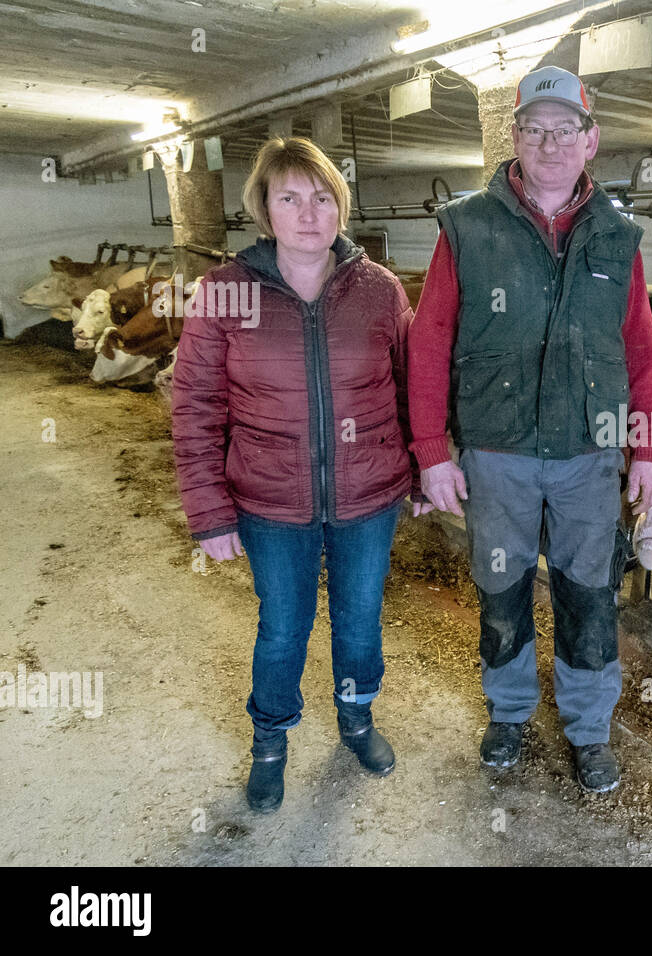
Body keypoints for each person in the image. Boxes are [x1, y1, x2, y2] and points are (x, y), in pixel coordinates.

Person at [408, 66, 652, 793]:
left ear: (591, 141)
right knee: (502, 588)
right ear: (514, 136)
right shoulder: (467, 226)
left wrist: (646, 449)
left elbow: (641, 350)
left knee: (590, 594)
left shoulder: (618, 237)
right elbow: (429, 341)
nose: (549, 143)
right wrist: (432, 452)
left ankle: (588, 729)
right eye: (535, 128)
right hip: (497, 451)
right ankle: (510, 712)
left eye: (565, 129)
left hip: (589, 452)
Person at [171, 136, 429, 813]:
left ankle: (356, 719)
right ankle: (270, 740)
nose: (308, 213)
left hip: (369, 495)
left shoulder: (377, 290)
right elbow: (196, 408)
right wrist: (209, 512)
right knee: (282, 627)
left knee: (360, 624)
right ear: (265, 209)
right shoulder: (225, 293)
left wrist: (425, 472)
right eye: (290, 198)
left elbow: (410, 389)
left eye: (321, 198)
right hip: (268, 501)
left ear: (339, 207)